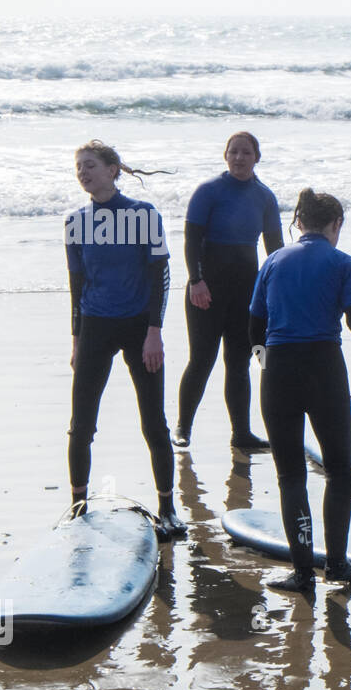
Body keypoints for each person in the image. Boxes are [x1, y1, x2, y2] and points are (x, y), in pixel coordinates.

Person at [249, 188, 351, 594]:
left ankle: (301, 573)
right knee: (338, 471)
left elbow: (254, 328)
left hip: (278, 370)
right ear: (335, 225)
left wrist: (267, 365)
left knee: (290, 474)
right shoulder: (343, 263)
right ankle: (338, 565)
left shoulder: (273, 261)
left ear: (299, 222)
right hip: (324, 368)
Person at [65, 140, 185, 536]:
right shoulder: (75, 222)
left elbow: (160, 277)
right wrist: (76, 339)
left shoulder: (143, 215)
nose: (84, 172)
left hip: (139, 328)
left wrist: (155, 333)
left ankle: (167, 508)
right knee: (81, 425)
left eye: (91, 165)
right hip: (96, 326)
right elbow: (76, 285)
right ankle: (77, 507)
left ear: (114, 169)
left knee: (154, 422)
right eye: (79, 166)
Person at [174, 131, 284, 450]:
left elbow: (275, 250)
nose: (238, 157)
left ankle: (241, 434)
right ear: (225, 156)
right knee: (202, 360)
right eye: (233, 152)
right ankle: (183, 427)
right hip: (205, 290)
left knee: (239, 362)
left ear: (256, 158)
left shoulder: (265, 197)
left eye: (245, 152)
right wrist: (196, 280)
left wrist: (273, 293)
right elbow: (191, 240)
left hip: (246, 292)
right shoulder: (208, 191)